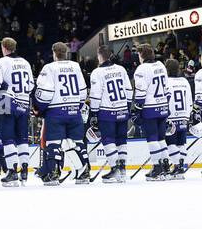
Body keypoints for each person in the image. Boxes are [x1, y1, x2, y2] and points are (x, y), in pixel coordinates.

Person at [34, 42, 89, 185]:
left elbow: (44, 93)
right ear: (67, 53)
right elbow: (83, 91)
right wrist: (78, 106)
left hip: (55, 112)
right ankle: (83, 171)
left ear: (54, 53)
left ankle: (53, 173)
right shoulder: (75, 66)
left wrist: (38, 108)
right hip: (74, 110)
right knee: (76, 142)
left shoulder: (49, 67)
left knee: (53, 143)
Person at [0, 36, 34, 187]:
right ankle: (25, 170)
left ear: (4, 48)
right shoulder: (25, 63)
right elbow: (31, 84)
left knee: (7, 138)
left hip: (5, 100)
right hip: (24, 102)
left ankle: (12, 171)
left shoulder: (0, 63)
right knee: (22, 138)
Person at [88, 45, 132, 183]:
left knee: (108, 140)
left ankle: (114, 169)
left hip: (107, 111)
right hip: (122, 109)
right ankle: (122, 169)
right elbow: (129, 90)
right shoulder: (121, 69)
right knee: (121, 140)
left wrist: (94, 113)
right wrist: (127, 107)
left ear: (99, 55)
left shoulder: (97, 72)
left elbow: (95, 95)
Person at [132, 43, 171, 180]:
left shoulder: (141, 69)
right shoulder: (161, 65)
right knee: (161, 138)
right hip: (163, 106)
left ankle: (157, 167)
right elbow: (167, 89)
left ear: (141, 55)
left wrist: (137, 109)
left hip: (150, 108)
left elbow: (141, 92)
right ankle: (165, 165)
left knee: (152, 138)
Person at [164, 58, 192, 178]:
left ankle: (177, 166)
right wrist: (187, 115)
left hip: (171, 117)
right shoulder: (185, 81)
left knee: (170, 144)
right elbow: (190, 100)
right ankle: (180, 167)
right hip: (184, 116)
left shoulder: (166, 82)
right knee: (181, 144)